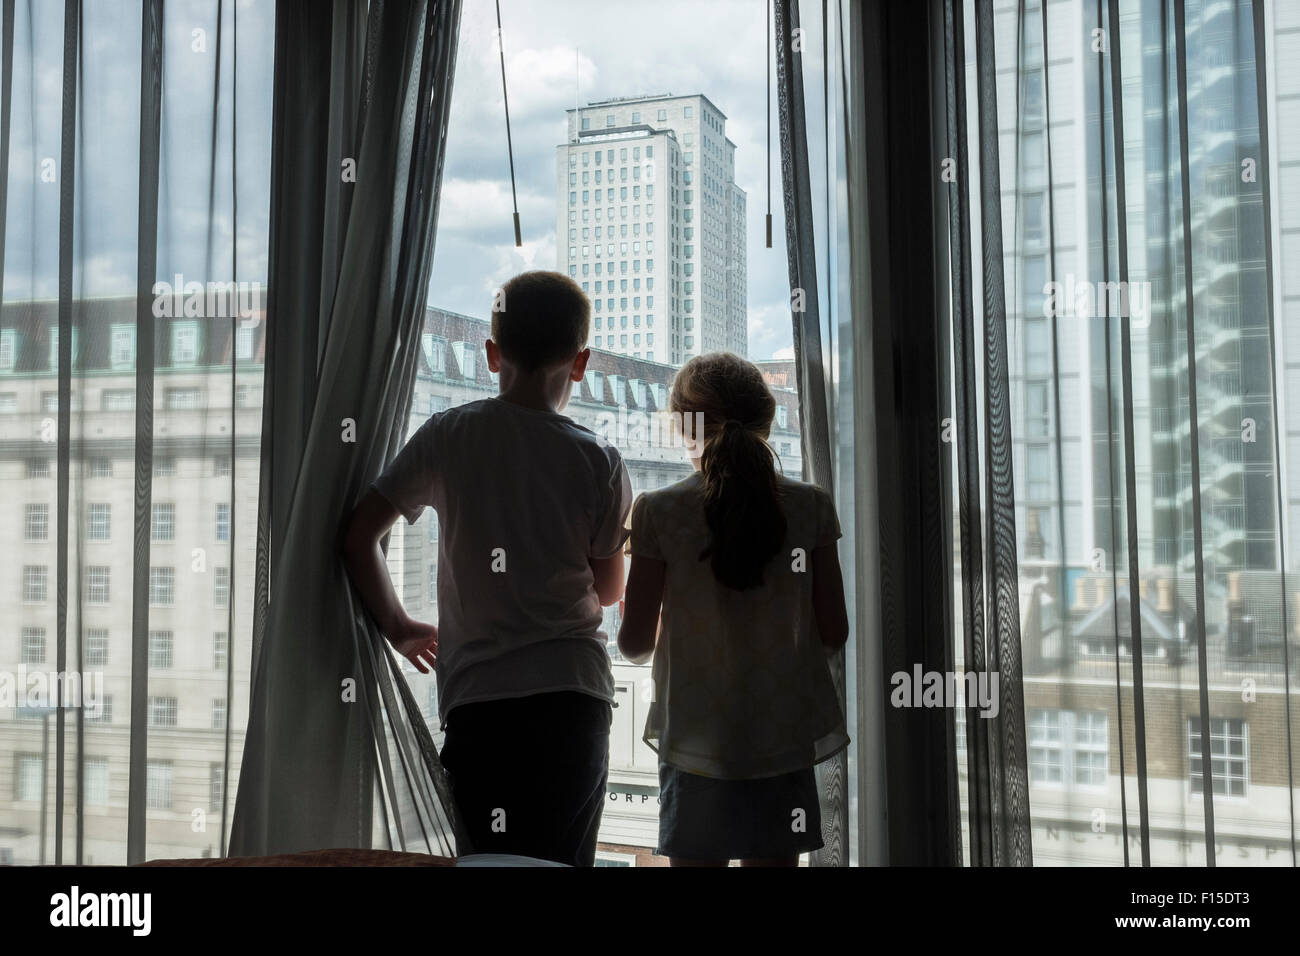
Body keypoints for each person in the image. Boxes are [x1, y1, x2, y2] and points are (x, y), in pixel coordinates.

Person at [341, 270, 632, 867]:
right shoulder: (597, 458)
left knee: (489, 862)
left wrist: (398, 627)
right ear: (580, 363)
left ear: (493, 355)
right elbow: (608, 591)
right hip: (572, 699)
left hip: (480, 702)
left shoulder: (450, 434)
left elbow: (359, 535)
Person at [617, 351, 850, 867]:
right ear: (766, 421)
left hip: (695, 741)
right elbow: (834, 631)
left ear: (683, 425)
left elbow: (633, 645)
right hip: (782, 738)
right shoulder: (811, 506)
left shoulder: (658, 511)